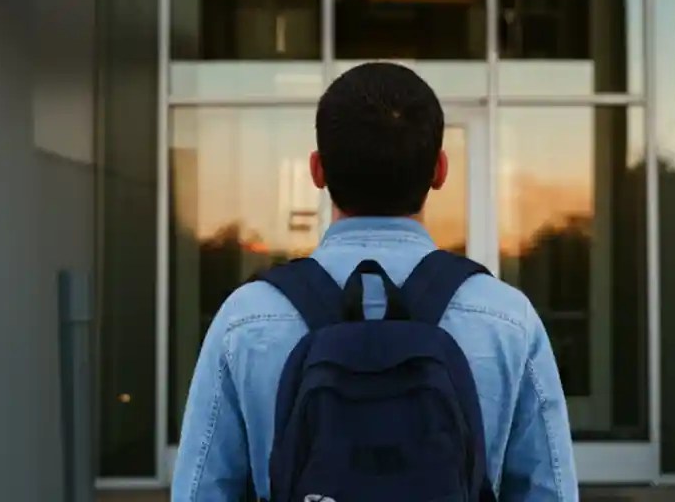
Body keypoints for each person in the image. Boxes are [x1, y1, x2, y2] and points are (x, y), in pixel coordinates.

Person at [171, 62, 579, 502]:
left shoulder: (246, 320)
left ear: (317, 171)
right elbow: (549, 491)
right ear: (439, 171)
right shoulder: (507, 320)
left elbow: (199, 492)